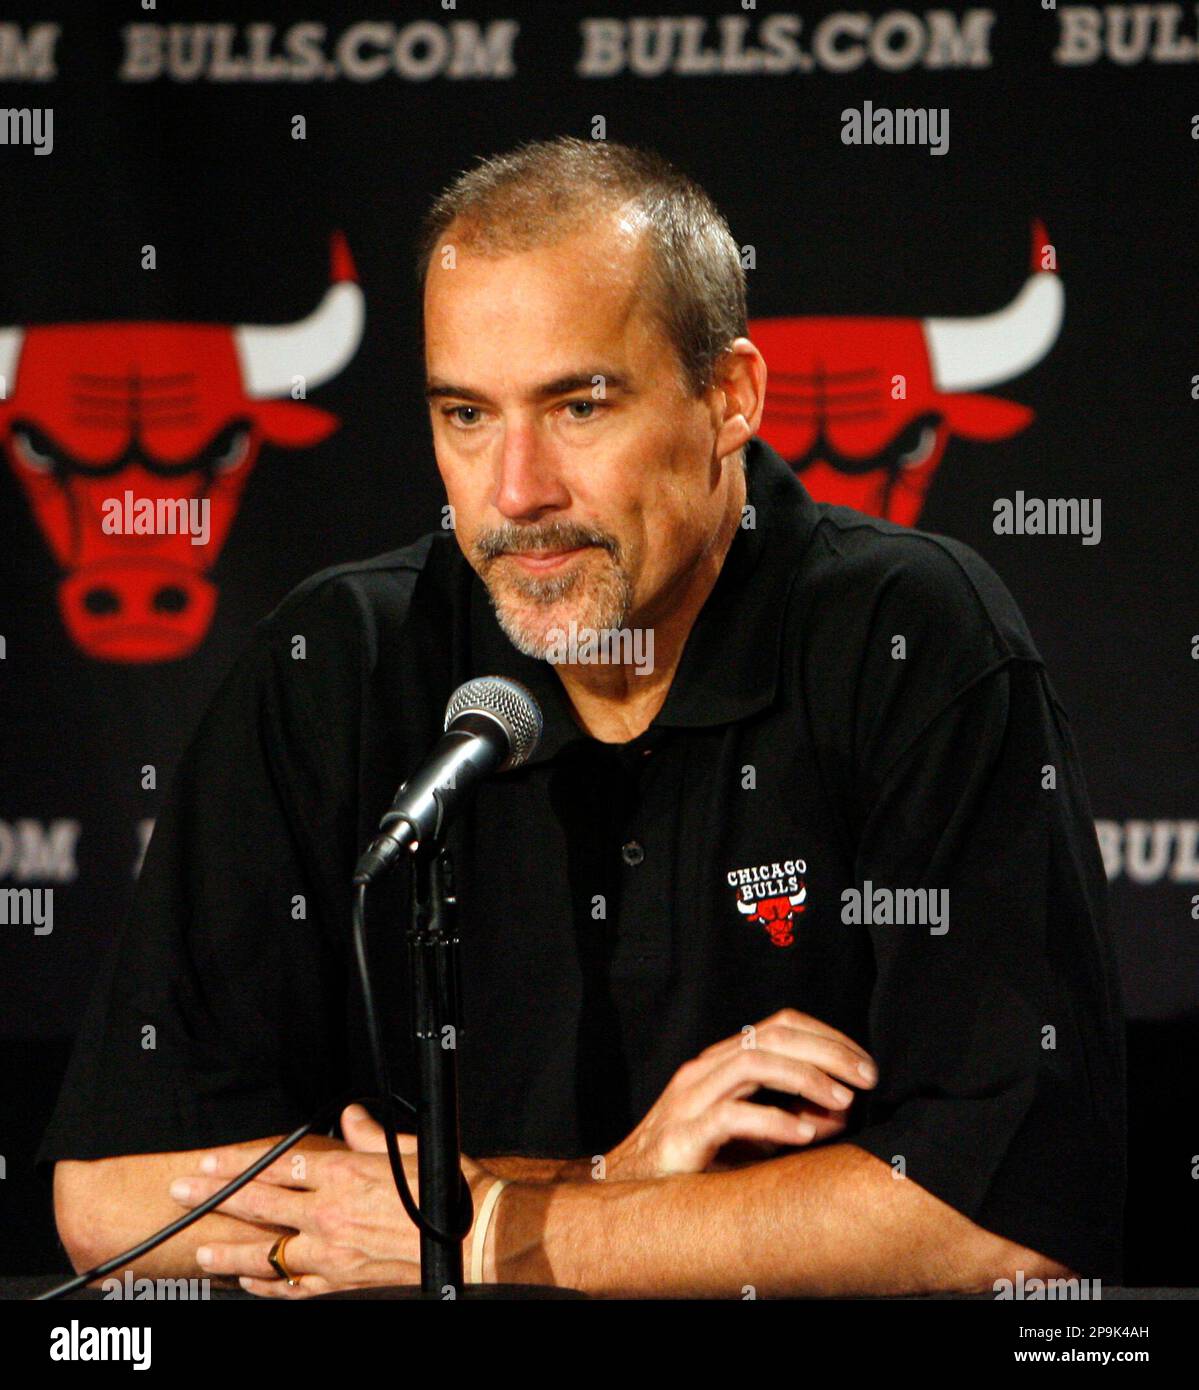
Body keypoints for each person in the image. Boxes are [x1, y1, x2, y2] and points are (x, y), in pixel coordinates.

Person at [41, 136, 1125, 1298]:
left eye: (579, 404)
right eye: (465, 414)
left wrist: (493, 1231)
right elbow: (113, 1194)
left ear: (729, 400)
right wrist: (608, 1180)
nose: (515, 491)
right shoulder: (336, 661)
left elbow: (1005, 1215)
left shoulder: (908, 639)